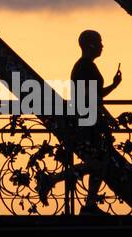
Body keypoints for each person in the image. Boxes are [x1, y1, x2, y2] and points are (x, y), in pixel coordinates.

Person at [36, 29, 121, 213]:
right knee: (98, 163)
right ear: (91, 45)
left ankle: (83, 201)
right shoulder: (85, 66)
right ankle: (57, 185)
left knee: (98, 163)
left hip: (86, 120)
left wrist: (114, 86)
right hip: (86, 122)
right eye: (99, 42)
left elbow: (93, 95)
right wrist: (106, 115)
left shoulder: (84, 66)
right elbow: (91, 97)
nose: (102, 46)